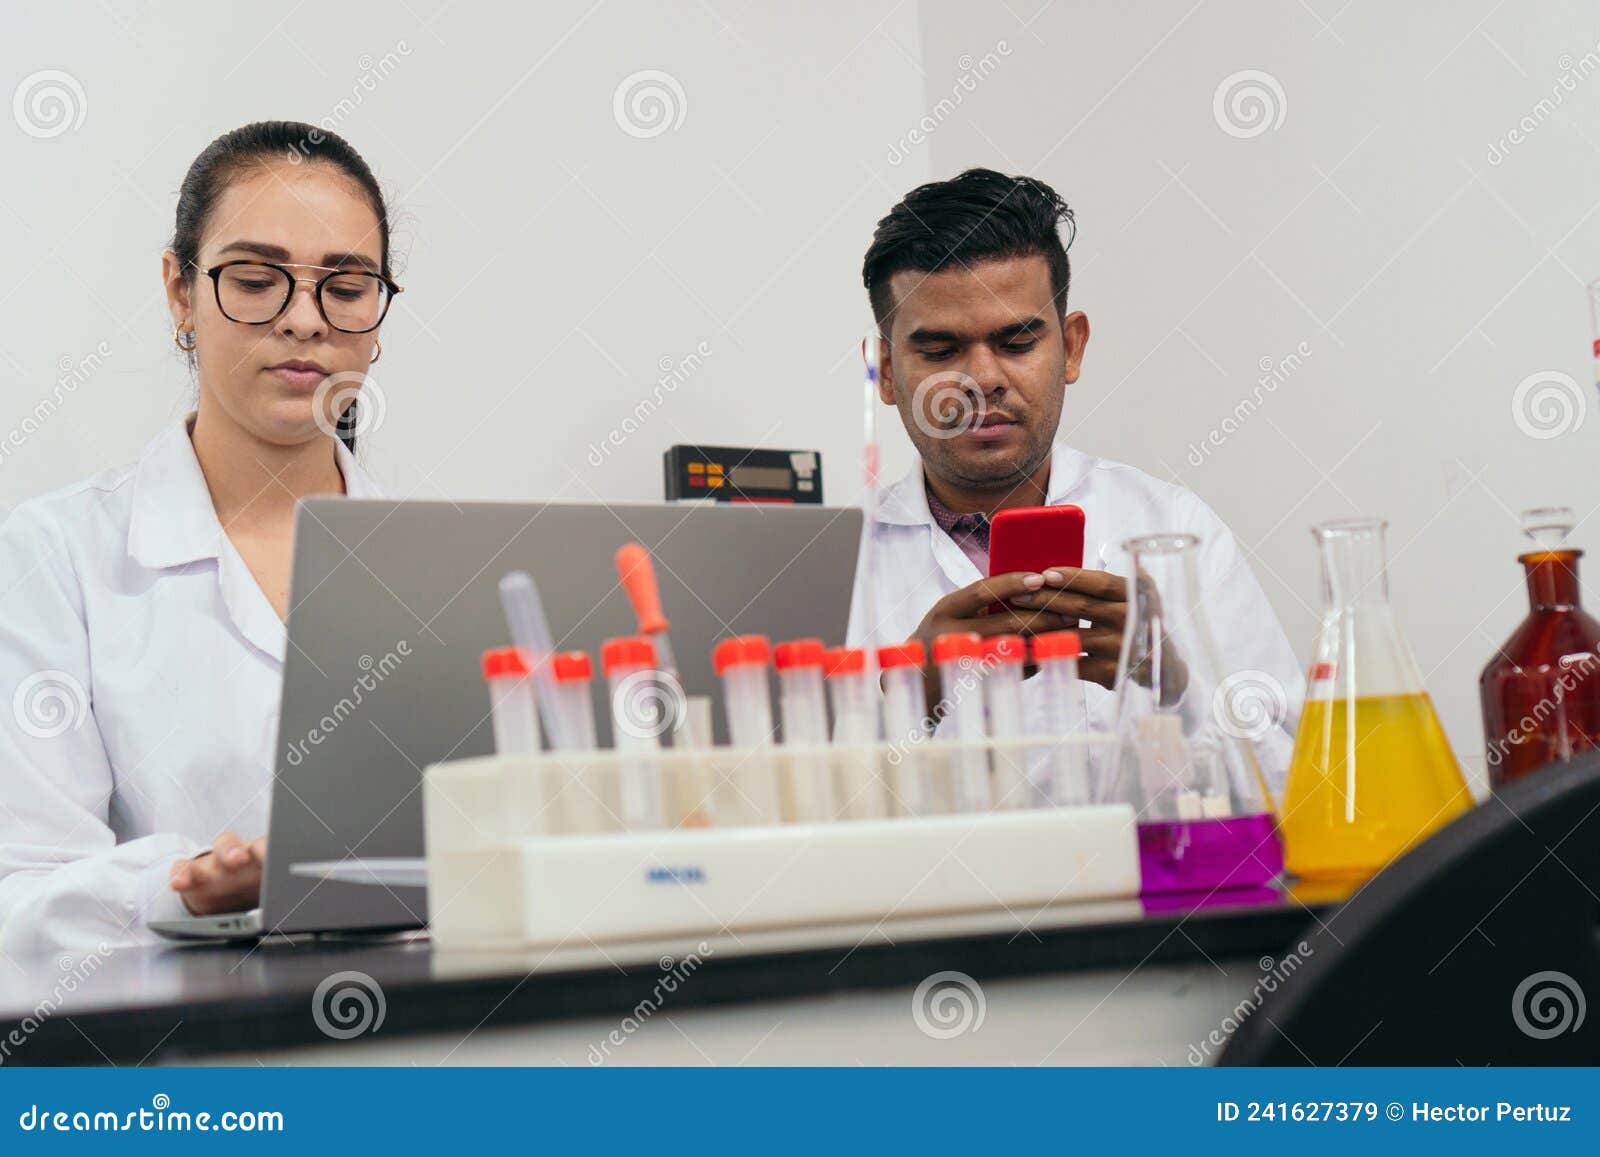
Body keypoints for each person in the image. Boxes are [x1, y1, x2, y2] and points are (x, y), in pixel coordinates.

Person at [0, 121, 399, 952]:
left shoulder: (437, 567)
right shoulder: (55, 555)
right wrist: (184, 886)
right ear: (181, 293)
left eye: (346, 286)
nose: (304, 320)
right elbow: (22, 895)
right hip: (176, 1034)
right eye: (254, 280)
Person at [846, 168, 1303, 779]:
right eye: (939, 351)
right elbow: (773, 809)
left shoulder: (1175, 529)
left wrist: (1174, 687)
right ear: (884, 372)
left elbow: (1298, 789)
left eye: (1016, 342)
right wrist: (904, 699)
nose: (983, 379)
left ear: (1072, 347)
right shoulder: (837, 567)